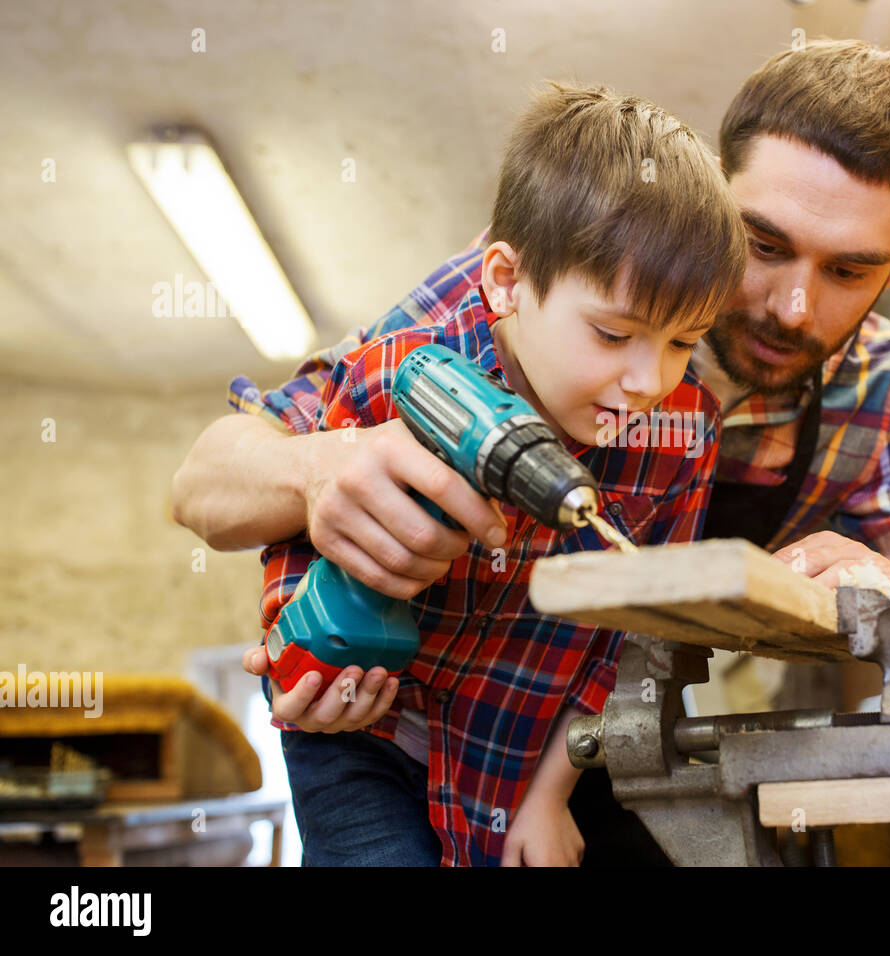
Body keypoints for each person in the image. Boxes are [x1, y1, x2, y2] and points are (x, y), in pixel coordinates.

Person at [172, 40, 890, 864]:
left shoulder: (876, 390)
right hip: (397, 717)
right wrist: (315, 473)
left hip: (575, 727)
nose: (791, 307)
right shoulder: (522, 292)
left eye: (850, 271)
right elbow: (210, 481)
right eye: (762, 246)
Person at [231, 80, 747, 866]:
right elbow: (301, 534)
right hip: (361, 732)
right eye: (614, 333)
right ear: (506, 280)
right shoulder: (406, 371)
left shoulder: (683, 434)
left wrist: (550, 794)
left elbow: (630, 634)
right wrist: (304, 660)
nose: (648, 379)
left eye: (683, 341)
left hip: (515, 738)